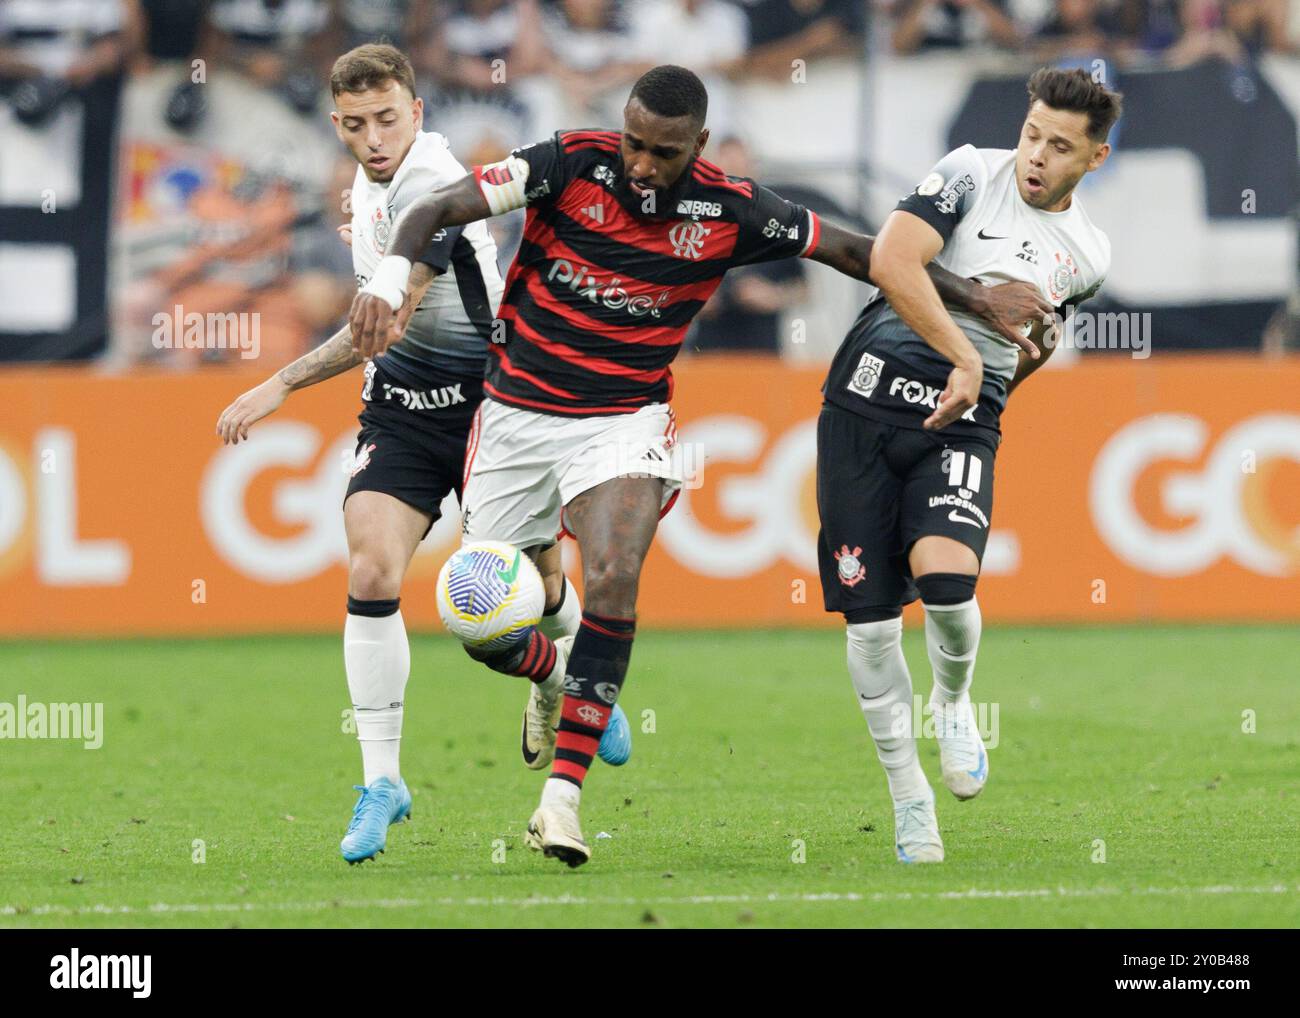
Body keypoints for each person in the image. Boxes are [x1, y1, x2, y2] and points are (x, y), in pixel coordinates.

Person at [347, 64, 1053, 868]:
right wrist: (392, 275)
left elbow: (864, 253)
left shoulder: (733, 208)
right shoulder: (567, 162)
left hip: (622, 421)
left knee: (613, 574)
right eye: (635, 144)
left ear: (700, 145)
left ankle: (562, 802)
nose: (643, 165)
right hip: (512, 418)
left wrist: (975, 296)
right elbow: (439, 207)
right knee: (481, 622)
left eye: (664, 152)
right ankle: (557, 676)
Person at [215, 43, 628, 865]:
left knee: (530, 590)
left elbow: (386, 321)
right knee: (371, 571)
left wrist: (280, 386)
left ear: (418, 113)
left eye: (389, 119)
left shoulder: (436, 186)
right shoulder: (362, 186)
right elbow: (385, 347)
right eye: (357, 124)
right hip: (401, 411)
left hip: (495, 407)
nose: (375, 138)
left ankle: (563, 680)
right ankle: (383, 782)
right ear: (338, 124)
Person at [816, 67, 1118, 862]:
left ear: (1096, 158)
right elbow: (891, 259)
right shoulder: (966, 172)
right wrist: (966, 355)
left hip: (961, 424)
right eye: (1032, 135)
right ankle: (909, 794)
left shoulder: (1088, 253)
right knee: (873, 627)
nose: (1036, 156)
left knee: (950, 587)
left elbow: (1041, 338)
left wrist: (990, 389)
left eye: (1060, 146)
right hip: (865, 404)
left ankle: (952, 706)